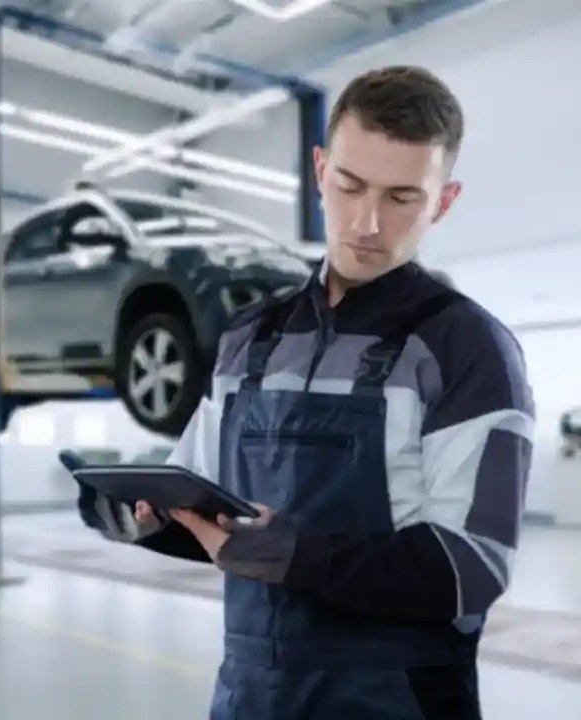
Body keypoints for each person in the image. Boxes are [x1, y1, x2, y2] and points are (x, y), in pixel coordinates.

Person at [77, 65, 535, 719]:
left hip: (394, 700)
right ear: (321, 170)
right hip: (250, 695)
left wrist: (297, 556)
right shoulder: (248, 338)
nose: (369, 222)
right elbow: (204, 506)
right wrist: (141, 518)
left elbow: (472, 565)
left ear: (444, 200)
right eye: (350, 185)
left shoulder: (467, 349)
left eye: (403, 197)